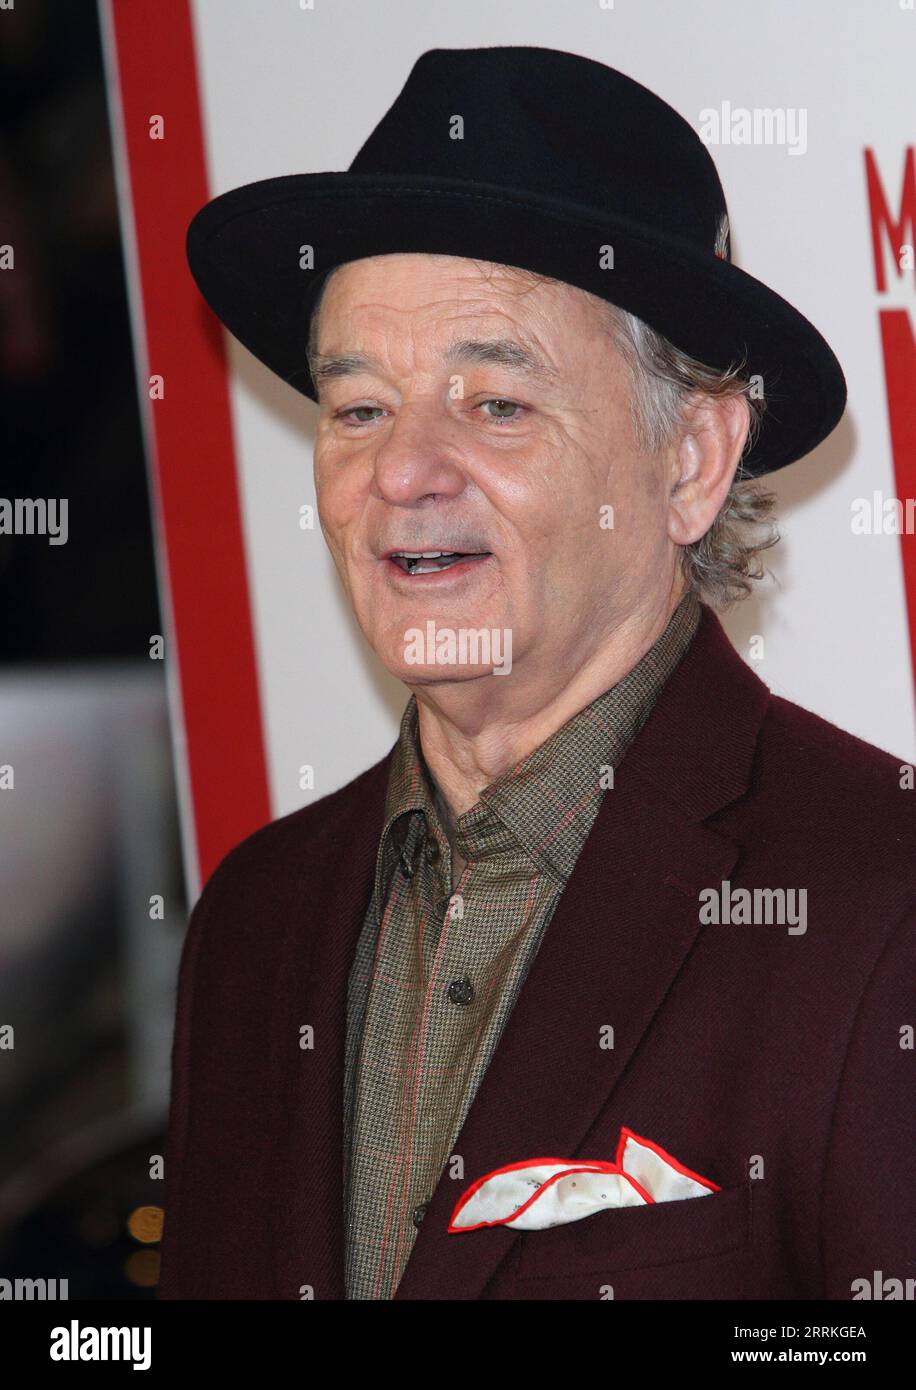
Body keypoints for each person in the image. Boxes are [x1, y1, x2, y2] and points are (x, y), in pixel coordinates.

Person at [157, 46, 914, 1300]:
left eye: (495, 405)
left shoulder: (879, 900)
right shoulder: (254, 923)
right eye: (358, 410)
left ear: (690, 460)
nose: (402, 473)